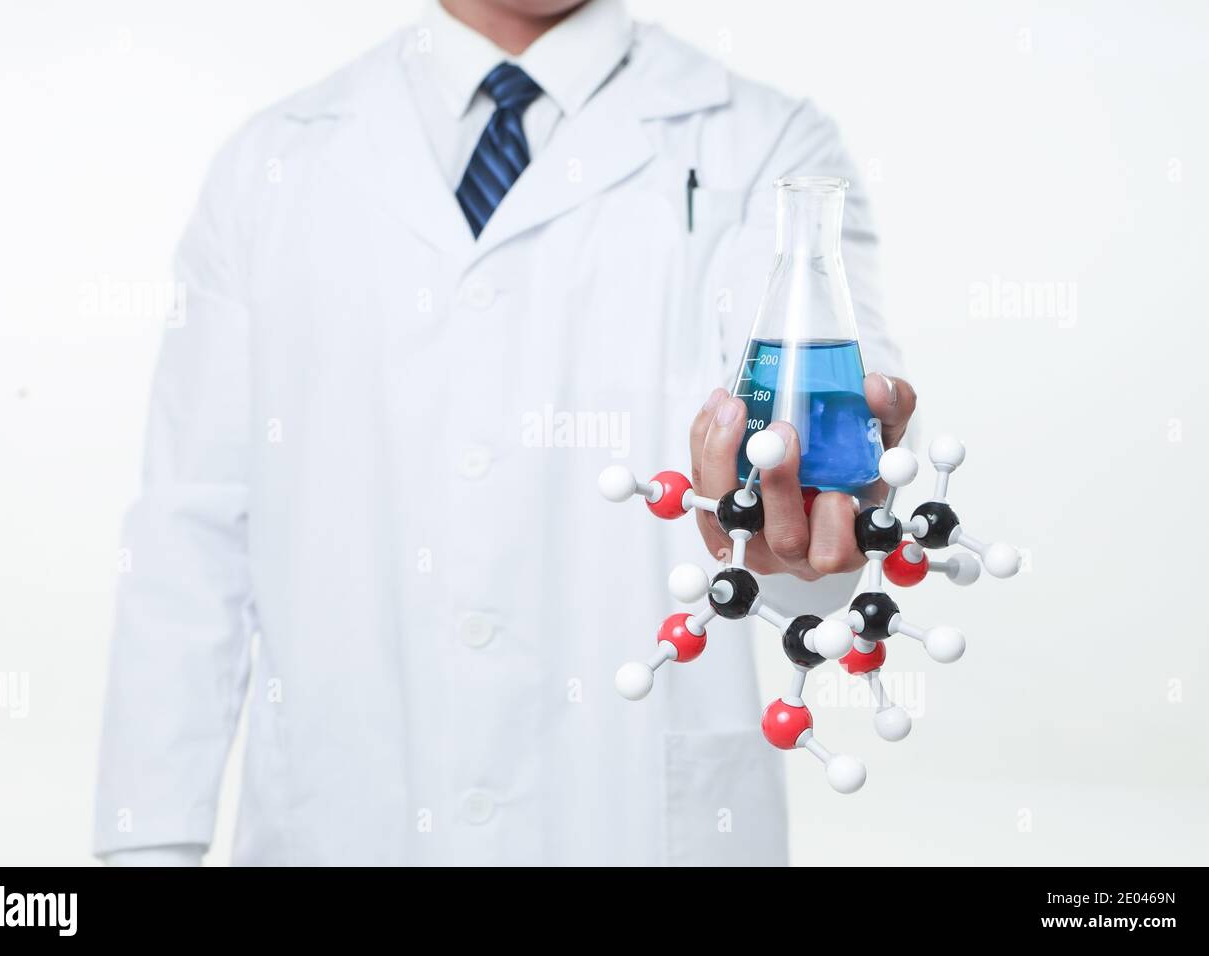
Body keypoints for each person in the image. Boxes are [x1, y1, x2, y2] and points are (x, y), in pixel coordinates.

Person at [94, 0, 915, 866]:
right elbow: (189, 539)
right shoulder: (271, 162)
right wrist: (149, 843)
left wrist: (813, 519)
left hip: (632, 820)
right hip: (342, 821)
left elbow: (813, 464)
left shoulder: (766, 147)